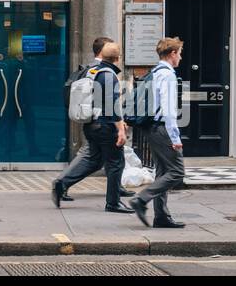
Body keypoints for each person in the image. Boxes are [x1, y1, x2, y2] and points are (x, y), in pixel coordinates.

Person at [52, 41, 134, 213]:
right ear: (118, 58)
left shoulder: (91, 71)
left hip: (91, 124)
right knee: (115, 163)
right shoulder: (109, 75)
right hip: (105, 125)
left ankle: (62, 183)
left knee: (94, 160)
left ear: (101, 56)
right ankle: (113, 203)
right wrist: (120, 129)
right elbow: (112, 105)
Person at [128, 37, 187, 229]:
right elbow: (169, 110)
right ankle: (141, 199)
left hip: (150, 128)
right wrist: (175, 137)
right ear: (172, 54)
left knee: (162, 172)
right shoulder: (168, 75)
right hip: (162, 128)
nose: (180, 57)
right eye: (179, 53)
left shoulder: (155, 71)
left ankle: (161, 216)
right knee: (177, 172)